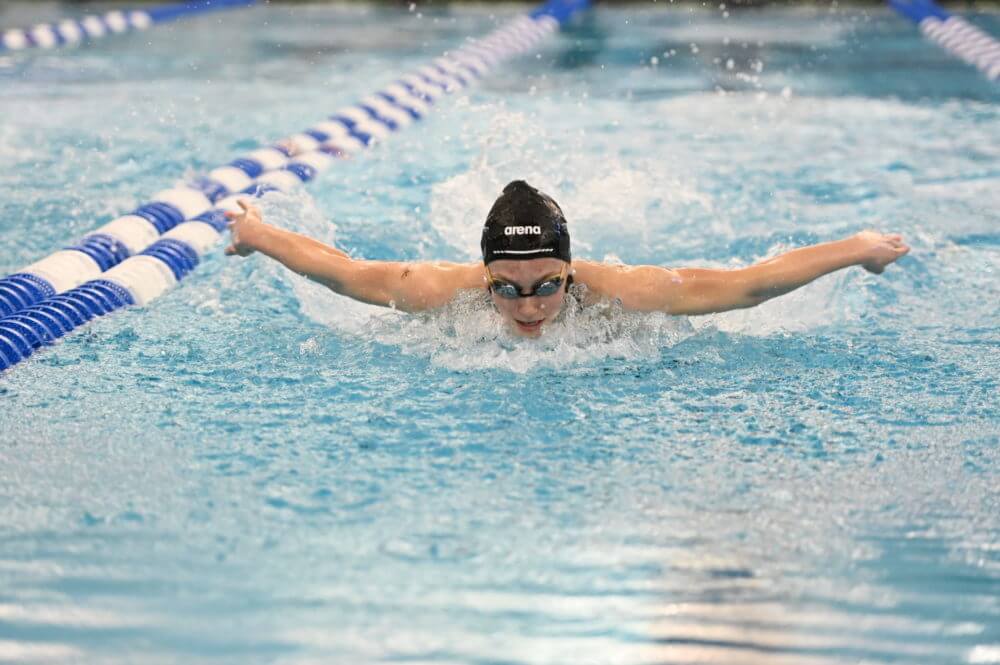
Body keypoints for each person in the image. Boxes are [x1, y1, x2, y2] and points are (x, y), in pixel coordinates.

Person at [224, 180, 909, 337]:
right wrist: (258, 233)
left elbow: (748, 286)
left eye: (547, 285)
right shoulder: (439, 289)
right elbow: (345, 272)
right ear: (484, 275)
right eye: (508, 290)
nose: (529, 307)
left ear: (572, 272)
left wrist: (857, 249)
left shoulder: (623, 293)